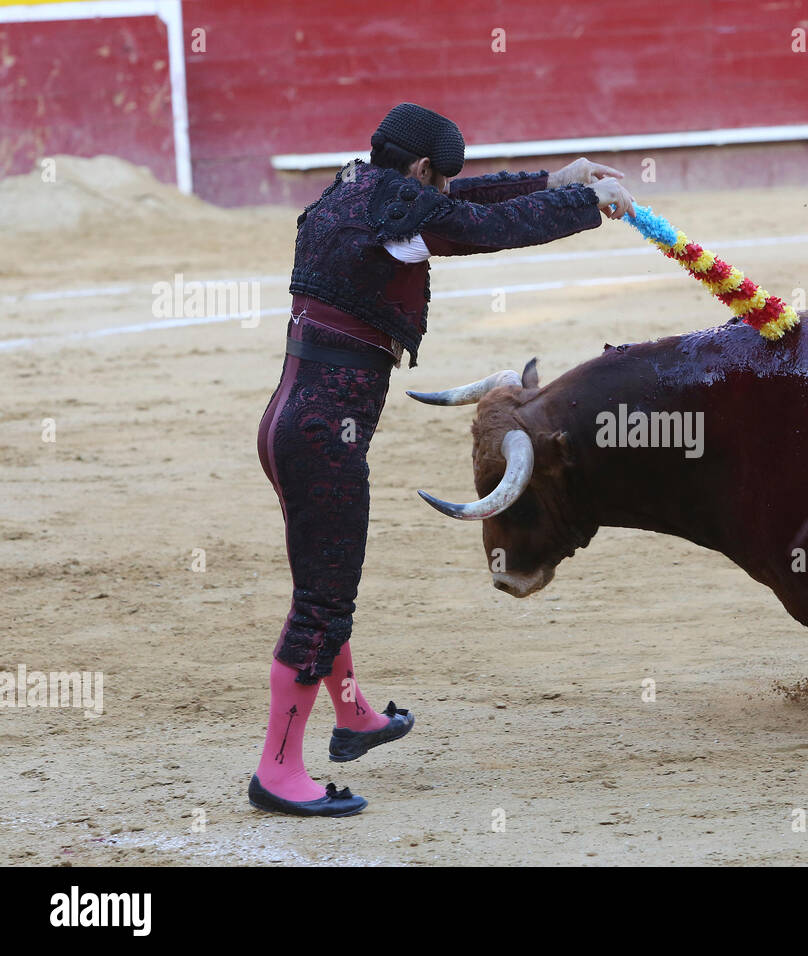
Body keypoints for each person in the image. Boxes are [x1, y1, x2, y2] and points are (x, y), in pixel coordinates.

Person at [250, 102, 636, 816]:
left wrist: (555, 178)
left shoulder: (358, 188)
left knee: (323, 583)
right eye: (441, 180)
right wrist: (584, 203)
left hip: (289, 425)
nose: (447, 191)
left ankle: (353, 714)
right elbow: (484, 226)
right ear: (423, 169)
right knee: (322, 601)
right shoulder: (408, 212)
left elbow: (464, 205)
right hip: (322, 441)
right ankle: (277, 773)